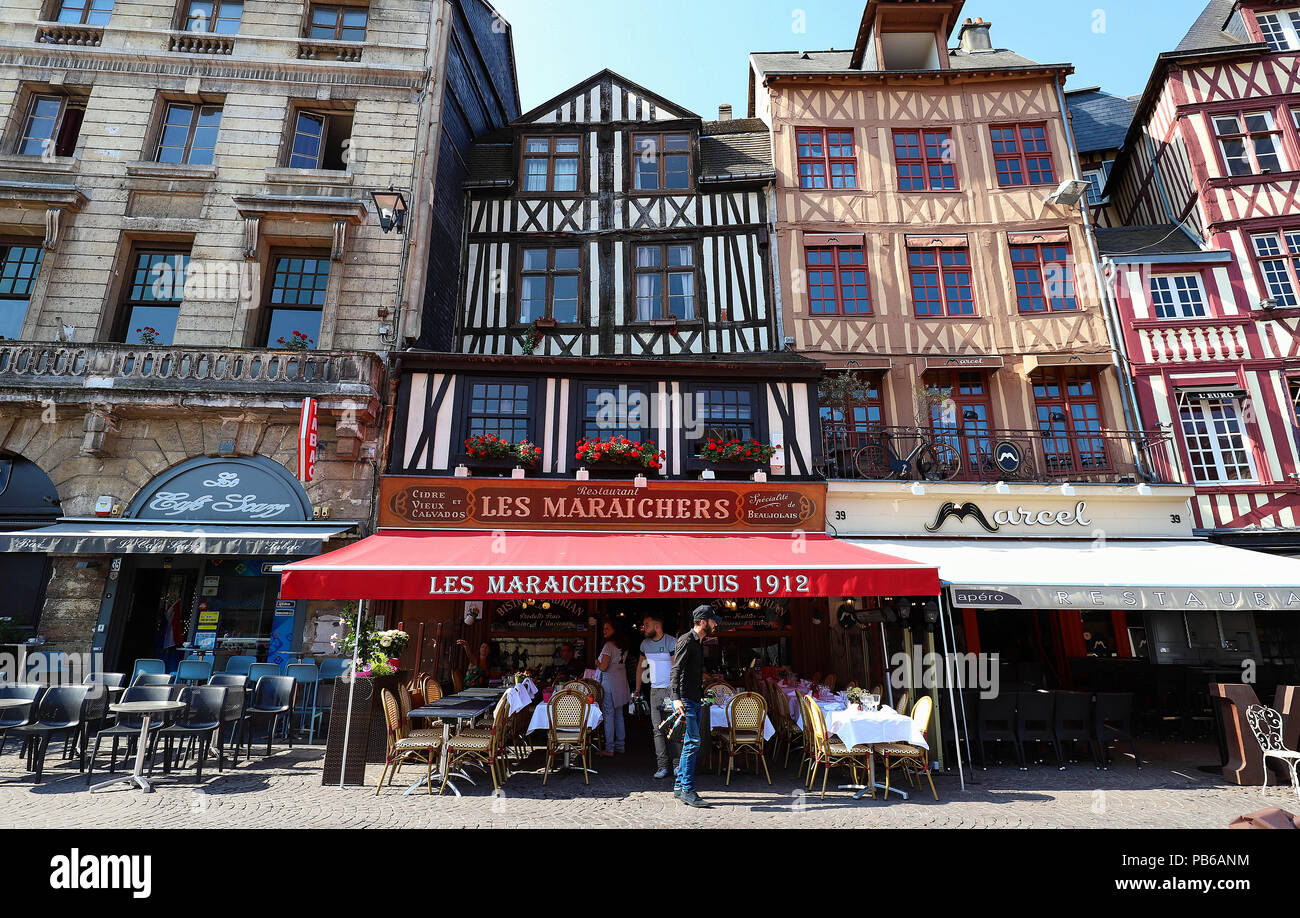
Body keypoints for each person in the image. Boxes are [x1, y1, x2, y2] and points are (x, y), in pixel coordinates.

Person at [670, 605, 720, 808]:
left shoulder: (699, 643)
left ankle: (679, 785)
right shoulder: (686, 640)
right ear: (702, 622)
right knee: (692, 744)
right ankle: (688, 791)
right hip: (686, 701)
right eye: (713, 620)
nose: (715, 624)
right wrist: (675, 698)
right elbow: (676, 670)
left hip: (694, 699)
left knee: (690, 744)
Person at [633, 613, 677, 779]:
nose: (643, 628)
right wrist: (637, 690)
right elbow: (640, 667)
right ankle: (662, 766)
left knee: (675, 727)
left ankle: (677, 765)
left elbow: (676, 668)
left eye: (646, 624)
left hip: (670, 690)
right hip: (654, 691)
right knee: (657, 729)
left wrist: (676, 691)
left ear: (656, 626)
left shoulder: (671, 642)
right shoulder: (644, 644)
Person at [595, 621, 630, 756]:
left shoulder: (608, 645)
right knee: (619, 714)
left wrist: (597, 663)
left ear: (615, 630)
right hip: (621, 680)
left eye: (607, 628)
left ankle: (609, 748)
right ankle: (620, 745)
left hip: (609, 681)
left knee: (608, 714)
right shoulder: (624, 645)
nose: (604, 630)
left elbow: (603, 667)